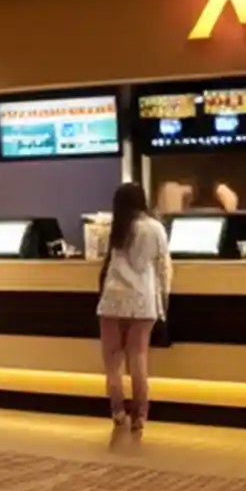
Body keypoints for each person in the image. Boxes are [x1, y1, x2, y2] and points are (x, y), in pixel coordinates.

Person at [97, 182, 172, 432]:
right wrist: (164, 302)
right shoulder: (155, 228)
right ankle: (140, 415)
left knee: (113, 362)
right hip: (142, 300)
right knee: (138, 359)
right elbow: (164, 268)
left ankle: (117, 410)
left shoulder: (117, 228)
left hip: (111, 300)